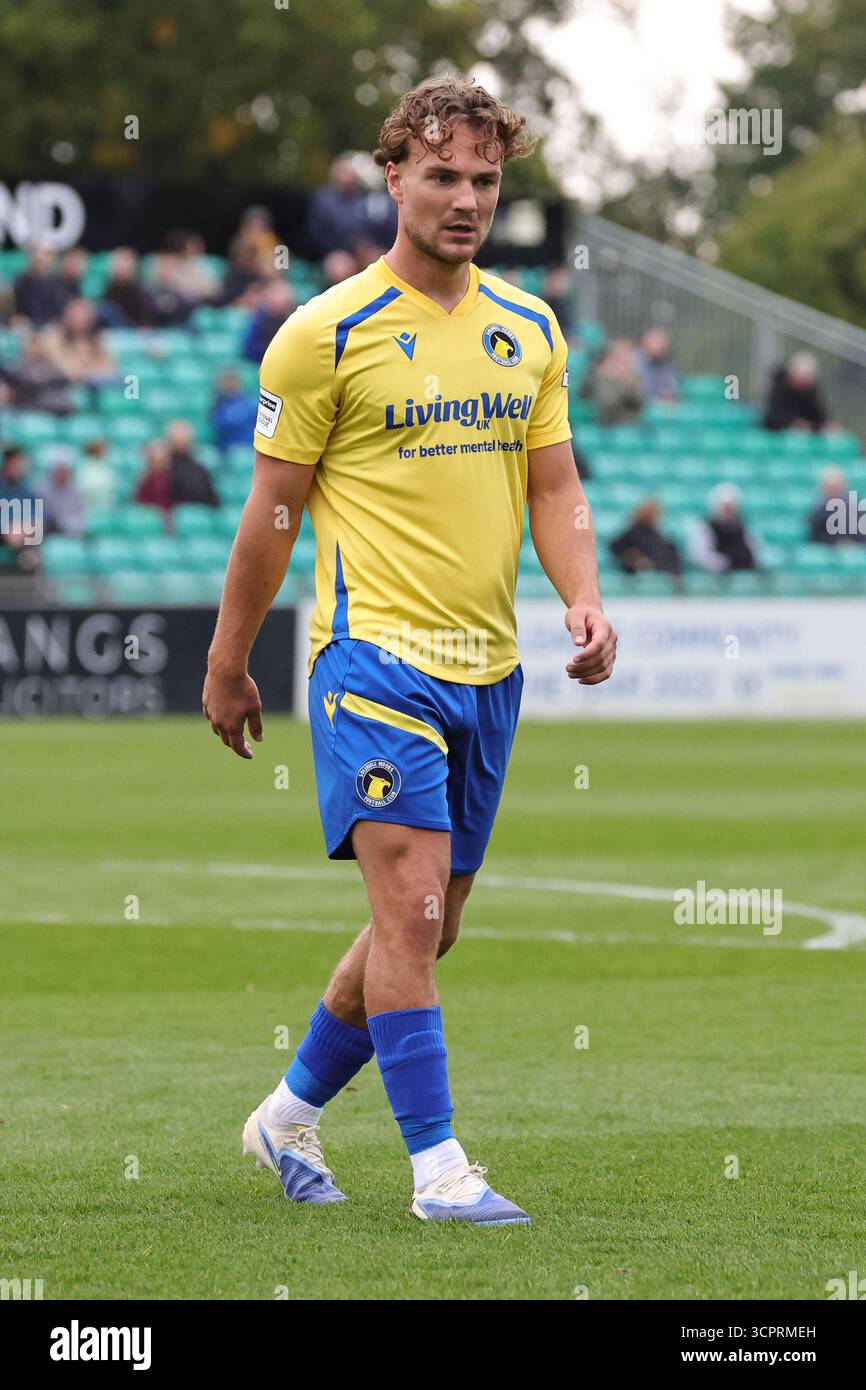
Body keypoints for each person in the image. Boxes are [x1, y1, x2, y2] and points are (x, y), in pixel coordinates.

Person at [202, 73, 617, 1226]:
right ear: (393, 176)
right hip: (369, 659)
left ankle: (286, 1114)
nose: (466, 198)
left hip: (489, 669)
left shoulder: (527, 328)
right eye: (442, 175)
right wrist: (229, 659)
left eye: (485, 179)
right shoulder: (322, 334)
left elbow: (553, 484)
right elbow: (270, 516)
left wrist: (581, 593)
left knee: (428, 923)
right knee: (410, 906)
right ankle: (438, 1170)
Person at [305, 155, 370, 259]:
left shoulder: (364, 199)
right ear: (335, 175)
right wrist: (335, 251)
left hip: (365, 251)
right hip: (333, 252)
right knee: (341, 269)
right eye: (343, 172)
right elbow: (316, 233)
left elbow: (371, 228)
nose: (347, 176)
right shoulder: (323, 200)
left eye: (349, 172)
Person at [41, 298, 116, 386]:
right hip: (62, 388)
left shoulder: (98, 339)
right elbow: (60, 367)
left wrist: (91, 374)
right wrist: (82, 373)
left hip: (94, 387)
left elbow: (109, 367)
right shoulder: (53, 337)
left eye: (85, 320)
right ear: (66, 318)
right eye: (75, 317)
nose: (80, 323)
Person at [689, 483, 758, 572]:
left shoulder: (741, 527)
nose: (728, 511)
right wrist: (729, 562)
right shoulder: (706, 527)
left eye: (731, 508)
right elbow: (702, 557)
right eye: (725, 507)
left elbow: (754, 551)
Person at [4, 333, 75, 414]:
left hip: (53, 405)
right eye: (32, 345)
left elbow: (65, 379)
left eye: (37, 345)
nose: (35, 349)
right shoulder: (17, 366)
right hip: (29, 407)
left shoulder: (51, 365)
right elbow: (20, 381)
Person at [610, 499, 682, 575]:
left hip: (659, 570)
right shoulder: (634, 531)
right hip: (639, 572)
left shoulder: (656, 532)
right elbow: (615, 547)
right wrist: (632, 557)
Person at [763, 351, 831, 432]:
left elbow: (818, 416)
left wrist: (823, 424)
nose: (803, 383)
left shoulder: (811, 392)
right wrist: (792, 423)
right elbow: (773, 417)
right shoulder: (779, 389)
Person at [584, 337, 644, 426]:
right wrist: (612, 379)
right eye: (621, 356)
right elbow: (607, 401)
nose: (625, 360)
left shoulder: (633, 377)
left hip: (629, 424)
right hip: (606, 423)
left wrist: (628, 383)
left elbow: (639, 403)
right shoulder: (602, 375)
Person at [165, 419, 219, 507]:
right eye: (177, 436)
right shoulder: (164, 469)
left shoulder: (199, 469)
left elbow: (212, 499)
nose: (180, 440)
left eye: (183, 435)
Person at [807, 467, 865, 545]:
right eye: (831, 488)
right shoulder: (817, 513)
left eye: (836, 488)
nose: (834, 492)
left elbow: (861, 535)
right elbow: (815, 536)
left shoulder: (856, 511)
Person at [241, 280, 295, 363]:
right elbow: (249, 349)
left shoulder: (293, 321)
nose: (278, 300)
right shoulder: (258, 321)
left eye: (281, 295)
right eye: (275, 294)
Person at [13, 248, 64, 328]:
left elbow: (60, 310)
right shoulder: (21, 282)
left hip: (52, 325)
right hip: (27, 325)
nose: (40, 259)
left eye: (44, 256)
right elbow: (16, 309)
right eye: (37, 260)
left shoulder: (58, 283)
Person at [101, 248, 153, 328]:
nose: (121, 266)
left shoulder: (141, 292)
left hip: (133, 332)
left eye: (124, 262)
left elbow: (145, 319)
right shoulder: (107, 287)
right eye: (118, 262)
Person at [40, 455, 87, 537]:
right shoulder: (43, 491)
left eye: (64, 471)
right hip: (51, 532)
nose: (62, 474)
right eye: (59, 470)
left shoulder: (76, 492)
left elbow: (81, 516)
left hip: (72, 532)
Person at [213, 369, 259, 452]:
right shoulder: (219, 405)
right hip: (230, 449)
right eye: (227, 381)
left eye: (233, 381)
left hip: (252, 447)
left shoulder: (250, 402)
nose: (230, 384)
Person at [636, 327, 678, 402]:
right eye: (656, 342)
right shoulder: (636, 362)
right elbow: (640, 393)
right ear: (645, 343)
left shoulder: (666, 363)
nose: (662, 347)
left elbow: (673, 385)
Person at [77, 439, 117, 514]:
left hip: (106, 506)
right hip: (88, 507)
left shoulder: (105, 466)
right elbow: (84, 488)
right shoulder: (84, 468)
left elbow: (111, 485)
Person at [135, 440, 173, 513]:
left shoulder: (171, 477)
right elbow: (140, 501)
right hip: (147, 515)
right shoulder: (143, 477)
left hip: (167, 515)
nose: (158, 457)